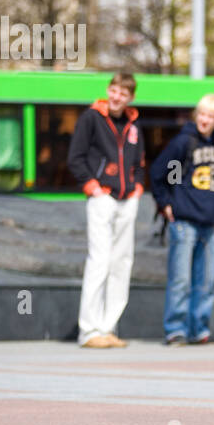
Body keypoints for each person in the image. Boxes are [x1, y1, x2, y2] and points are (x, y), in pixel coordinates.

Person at [67, 72, 145, 349]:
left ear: (130, 97)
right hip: (102, 196)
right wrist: (92, 186)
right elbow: (75, 157)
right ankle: (88, 331)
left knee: (122, 263)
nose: (117, 96)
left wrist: (138, 186)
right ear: (108, 90)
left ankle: (107, 326)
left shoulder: (133, 123)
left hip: (127, 199)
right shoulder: (91, 117)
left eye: (123, 93)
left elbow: (140, 161)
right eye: (114, 90)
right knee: (99, 260)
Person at [151, 94, 214, 345]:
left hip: (209, 221)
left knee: (206, 282)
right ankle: (175, 330)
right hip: (184, 221)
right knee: (180, 280)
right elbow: (159, 173)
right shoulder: (182, 142)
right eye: (203, 114)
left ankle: (199, 329)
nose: (206, 120)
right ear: (197, 115)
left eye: (211, 116)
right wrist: (166, 204)